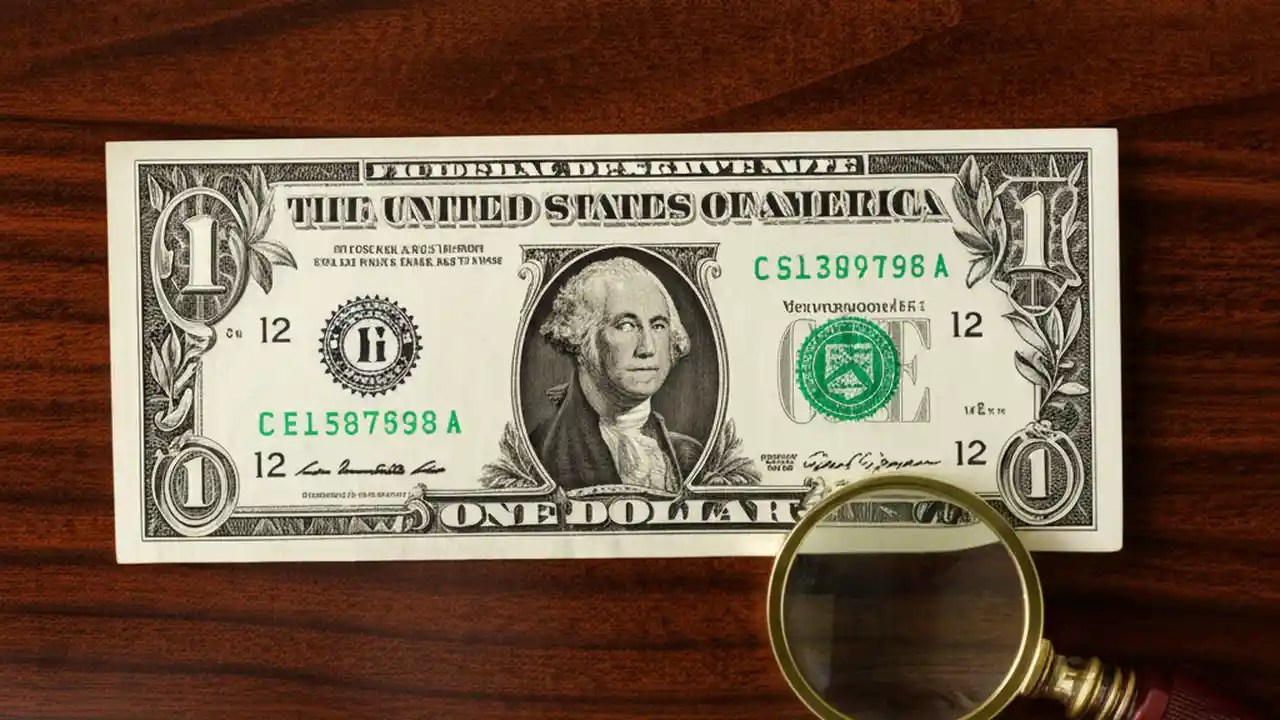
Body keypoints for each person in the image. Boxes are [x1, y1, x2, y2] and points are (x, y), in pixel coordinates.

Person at [529, 256, 703, 493]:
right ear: (581, 337)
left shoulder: (690, 456)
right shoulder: (538, 453)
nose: (648, 349)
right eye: (626, 326)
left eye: (658, 326)